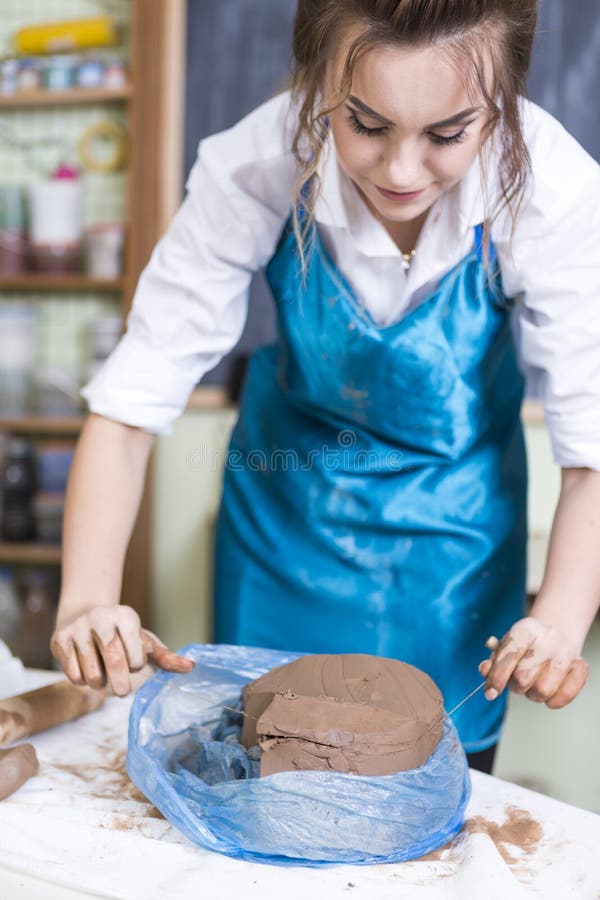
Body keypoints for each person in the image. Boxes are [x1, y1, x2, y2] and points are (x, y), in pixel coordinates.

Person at [51, 0, 600, 775]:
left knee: (429, 805)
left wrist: (559, 622)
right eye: (366, 124)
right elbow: (129, 406)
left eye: (448, 134)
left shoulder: (554, 189)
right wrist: (85, 601)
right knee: (261, 780)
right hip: (284, 527)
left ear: (504, 101)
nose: (402, 171)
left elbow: (595, 452)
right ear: (316, 86)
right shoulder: (255, 163)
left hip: (456, 545)